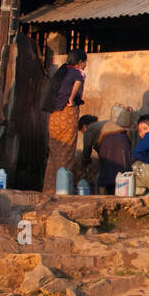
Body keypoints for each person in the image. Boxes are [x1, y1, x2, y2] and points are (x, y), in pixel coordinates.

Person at [44, 48, 87, 193]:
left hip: (54, 116)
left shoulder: (61, 72)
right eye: (85, 62)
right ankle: (62, 189)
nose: (85, 65)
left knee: (54, 152)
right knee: (67, 150)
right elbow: (78, 83)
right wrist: (71, 99)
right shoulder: (78, 73)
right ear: (80, 62)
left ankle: (49, 188)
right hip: (67, 113)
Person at [83, 105, 134, 195]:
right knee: (123, 168)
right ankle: (123, 193)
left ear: (83, 126)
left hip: (109, 141)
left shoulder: (88, 130)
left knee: (106, 168)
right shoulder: (106, 124)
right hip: (124, 139)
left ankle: (102, 196)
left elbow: (86, 149)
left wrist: (85, 162)